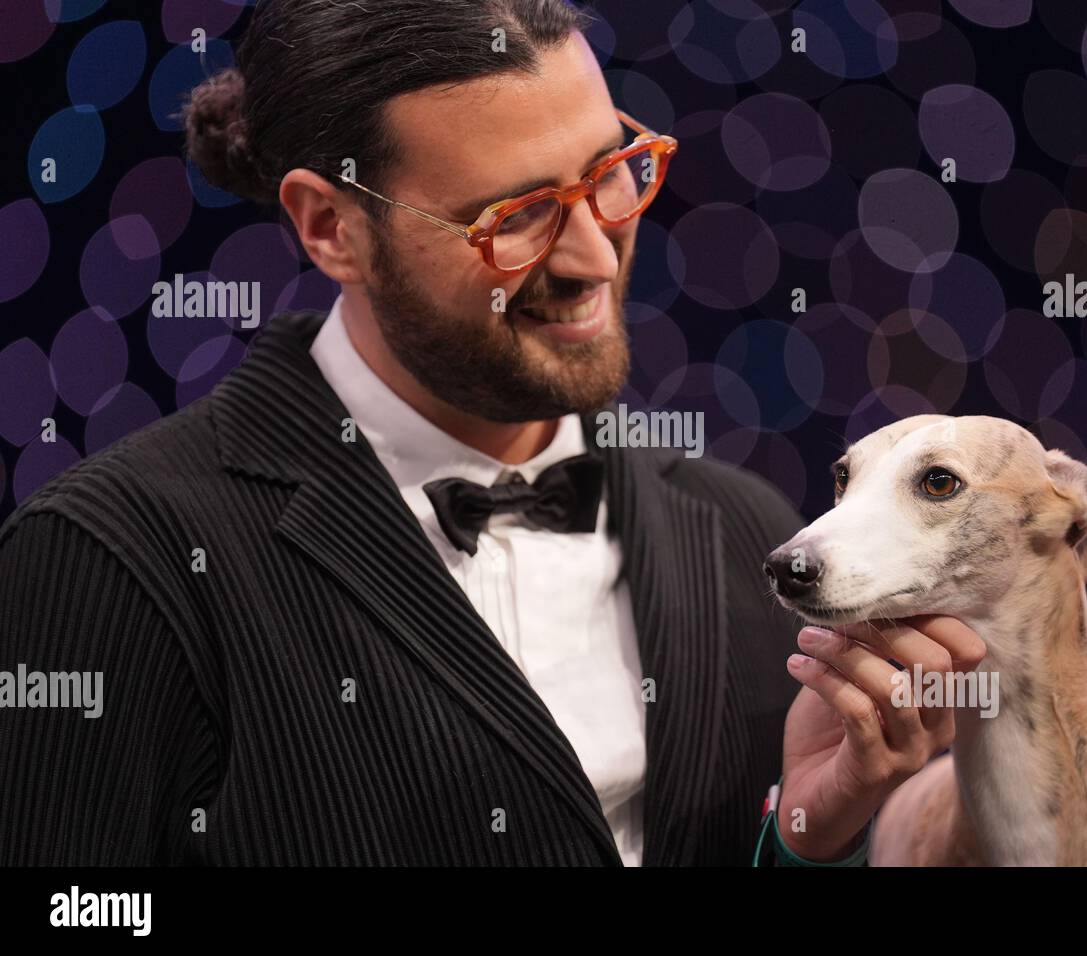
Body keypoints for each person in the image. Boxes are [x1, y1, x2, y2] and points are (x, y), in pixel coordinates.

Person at [0, 0, 983, 866]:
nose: (595, 256)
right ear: (331, 226)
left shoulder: (742, 528)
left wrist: (816, 835)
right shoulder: (104, 557)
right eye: (515, 215)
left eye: (613, 171)